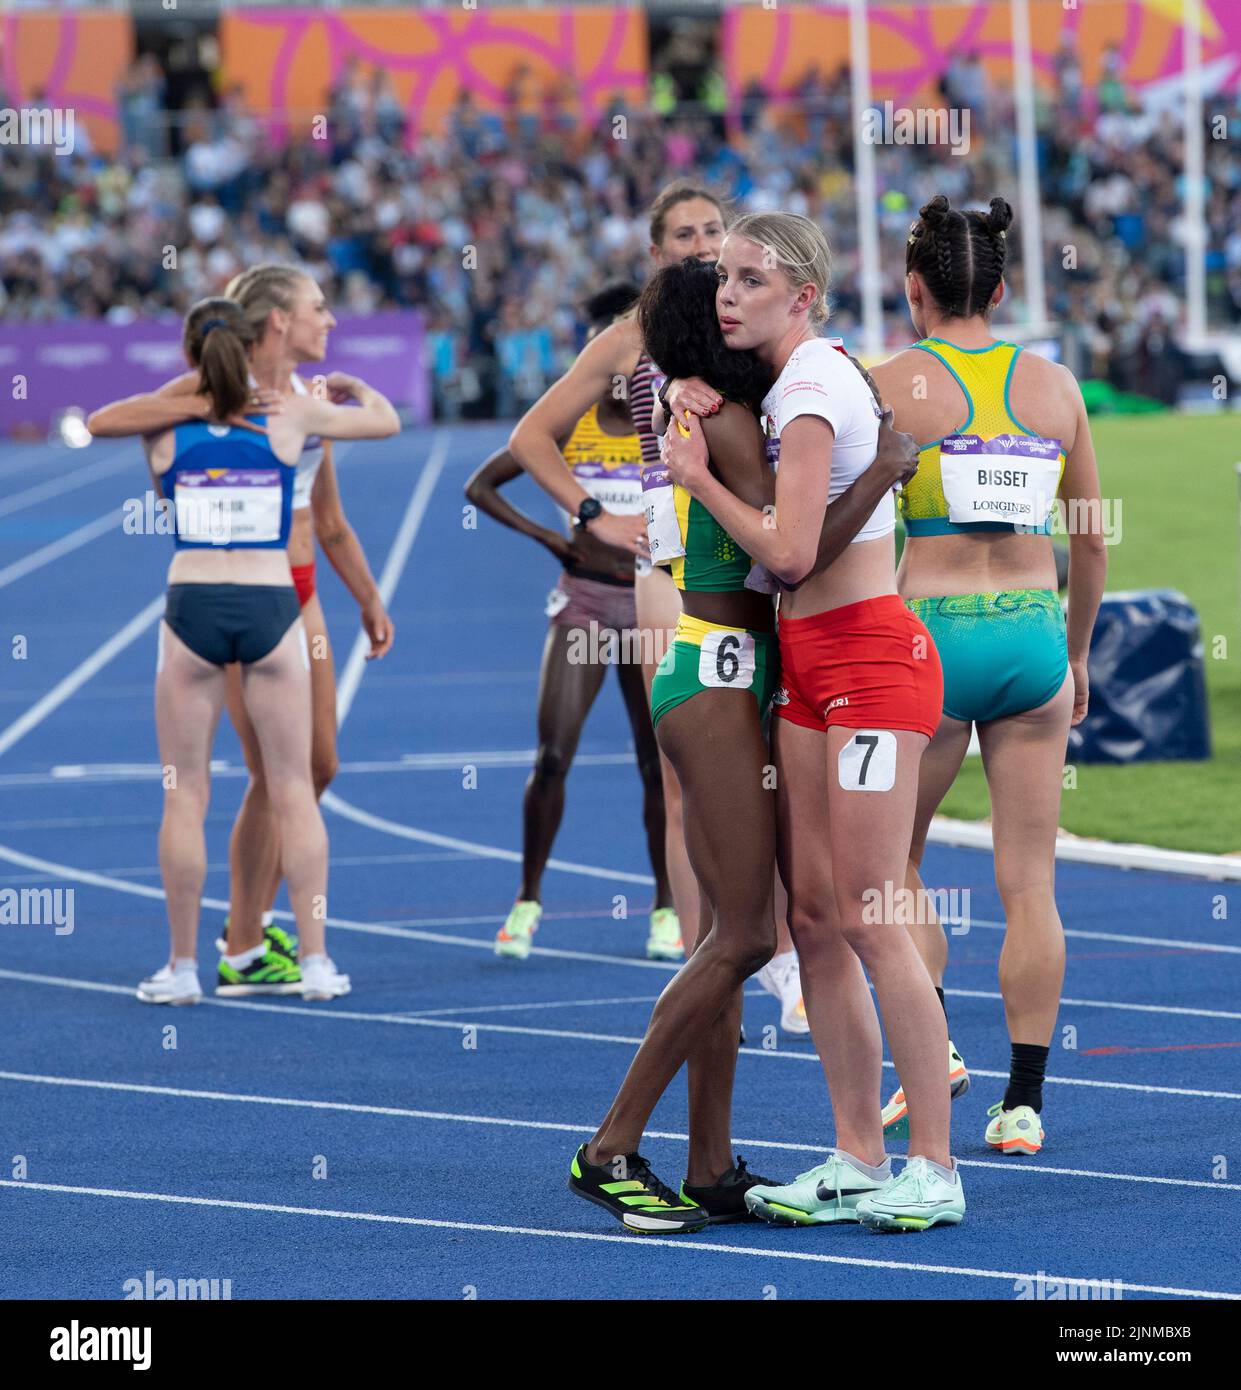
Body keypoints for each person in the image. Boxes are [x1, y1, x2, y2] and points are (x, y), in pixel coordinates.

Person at [568, 256, 922, 1233]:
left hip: (719, 668)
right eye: (724, 302)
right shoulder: (718, 416)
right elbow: (788, 550)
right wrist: (886, 471)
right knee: (744, 936)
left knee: (727, 932)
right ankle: (607, 1147)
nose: (740, 314)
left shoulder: (701, 405)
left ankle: (712, 1160)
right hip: (714, 670)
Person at [662, 212, 964, 1233]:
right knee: (815, 919)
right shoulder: (792, 381)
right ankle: (853, 1153)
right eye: (722, 279)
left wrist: (696, 476)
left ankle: (932, 1162)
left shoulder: (810, 386)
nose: (727, 294)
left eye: (749, 278)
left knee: (873, 910)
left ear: (802, 292)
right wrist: (680, 390)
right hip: (807, 667)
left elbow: (789, 553)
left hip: (872, 663)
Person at [870, 196, 1106, 1154]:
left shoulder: (886, 382)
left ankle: (937, 1050)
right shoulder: (1054, 388)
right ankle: (1025, 1105)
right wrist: (1078, 651)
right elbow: (1089, 545)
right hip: (1028, 638)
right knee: (1029, 883)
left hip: (926, 641)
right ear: (1002, 290)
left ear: (913, 288)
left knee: (889, 869)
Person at [87, 264, 395, 997]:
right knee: (283, 780)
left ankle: (187, 961)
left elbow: (329, 518)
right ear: (277, 322)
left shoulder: (274, 406)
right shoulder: (277, 411)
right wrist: (223, 397)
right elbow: (384, 422)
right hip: (269, 602)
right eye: (320, 308)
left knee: (259, 780)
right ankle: (264, 944)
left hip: (222, 601)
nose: (331, 320)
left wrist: (367, 598)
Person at [463, 283, 676, 958]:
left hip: (651, 604)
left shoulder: (665, 426)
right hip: (584, 602)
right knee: (553, 755)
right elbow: (482, 484)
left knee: (656, 764)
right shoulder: (569, 426)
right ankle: (527, 900)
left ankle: (667, 908)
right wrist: (551, 538)